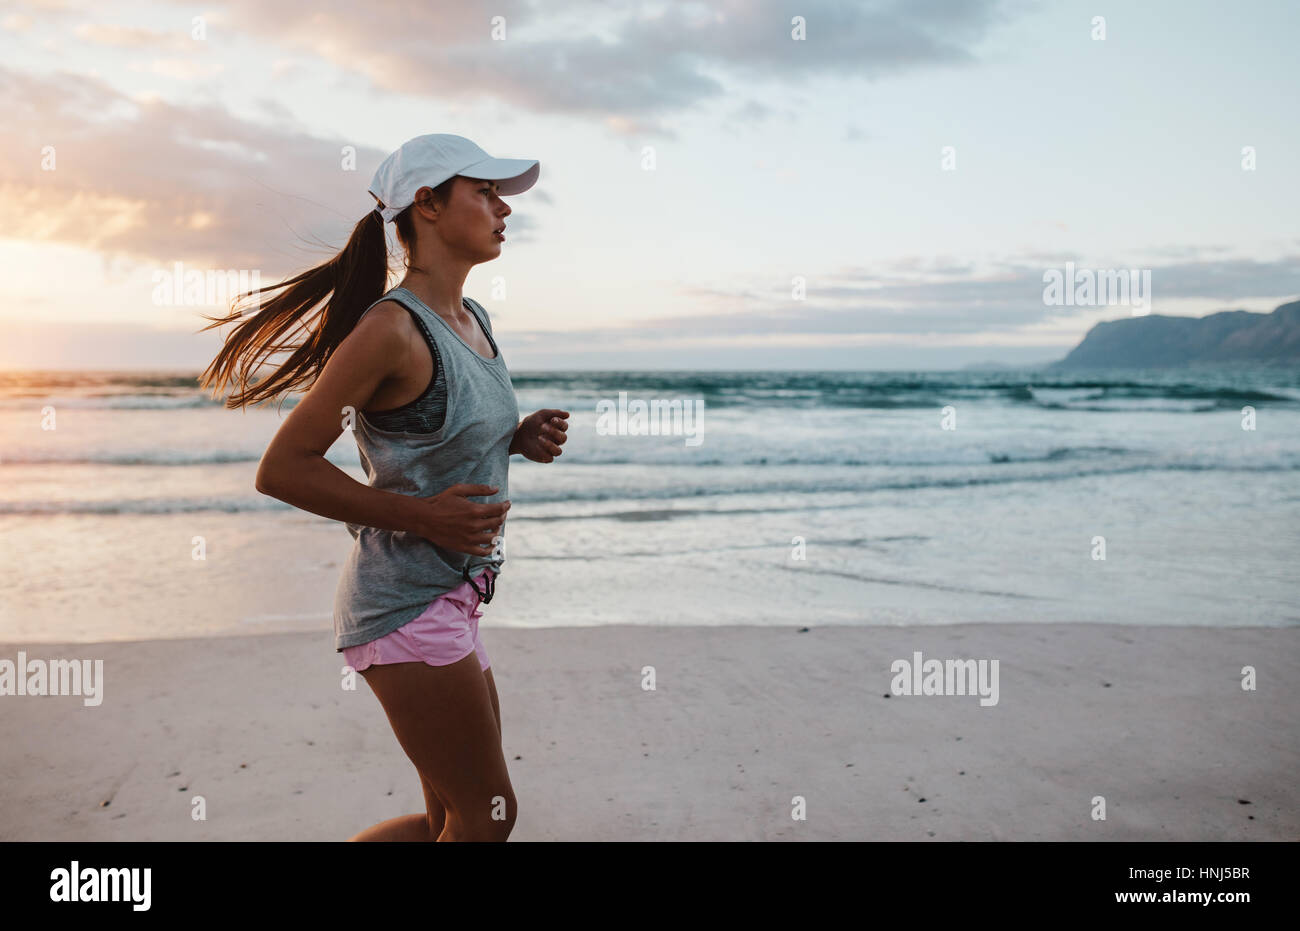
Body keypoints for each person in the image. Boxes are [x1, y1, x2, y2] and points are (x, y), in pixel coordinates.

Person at [197, 133, 569, 841]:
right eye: (484, 192)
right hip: (403, 605)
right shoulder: (390, 330)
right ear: (426, 205)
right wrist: (423, 518)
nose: (504, 210)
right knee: (492, 816)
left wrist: (515, 439)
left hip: (456, 596)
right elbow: (285, 466)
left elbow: (429, 441)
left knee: (449, 817)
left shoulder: (474, 320)